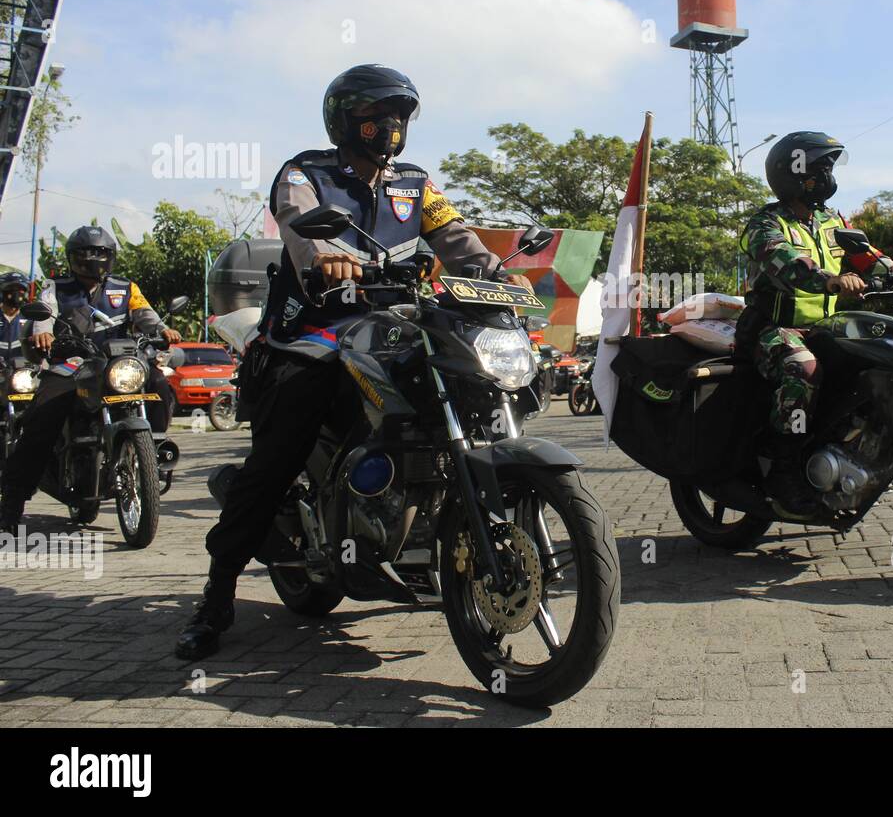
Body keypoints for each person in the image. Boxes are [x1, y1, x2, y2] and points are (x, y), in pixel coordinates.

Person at [175, 64, 530, 661]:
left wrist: (496, 273)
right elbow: (296, 224)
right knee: (274, 459)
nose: (388, 127)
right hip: (311, 336)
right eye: (375, 115)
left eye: (398, 116)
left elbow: (457, 239)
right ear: (345, 120)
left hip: (391, 328)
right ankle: (217, 595)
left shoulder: (416, 184)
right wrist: (326, 256)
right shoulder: (304, 173)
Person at [735, 131, 893, 520]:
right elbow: (781, 258)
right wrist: (828, 279)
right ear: (790, 174)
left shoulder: (832, 221)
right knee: (803, 369)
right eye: (818, 169)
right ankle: (781, 467)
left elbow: (868, 256)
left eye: (829, 168)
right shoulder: (765, 222)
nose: (826, 177)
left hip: (827, 328)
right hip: (774, 329)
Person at [0, 227, 181, 534]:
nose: (93, 260)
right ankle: (11, 505)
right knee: (40, 419)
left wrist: (163, 329)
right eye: (86, 254)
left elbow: (145, 314)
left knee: (159, 384)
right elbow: (44, 313)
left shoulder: (125, 288)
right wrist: (42, 331)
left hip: (116, 362)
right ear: (74, 258)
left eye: (100, 253)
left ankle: (155, 444)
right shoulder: (56, 286)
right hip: (71, 364)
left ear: (110, 258)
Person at [0, 271, 30, 367]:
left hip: (22, 371)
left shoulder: (30, 317)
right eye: (12, 289)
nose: (17, 293)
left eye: (21, 289)